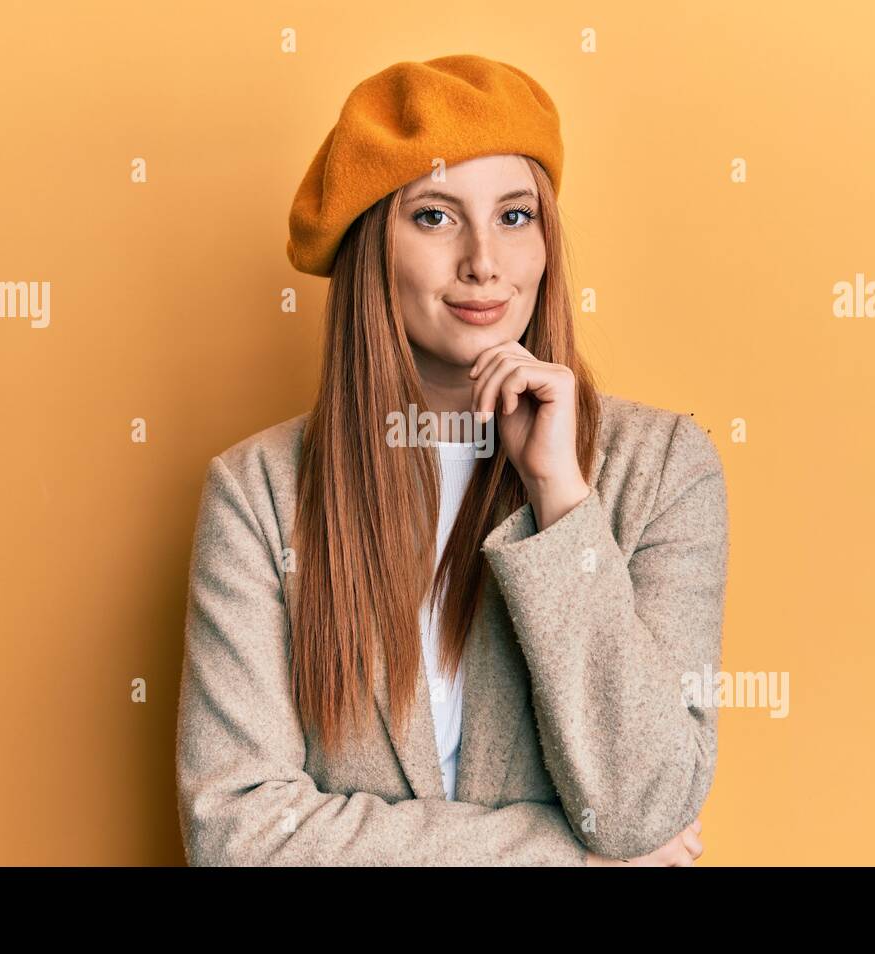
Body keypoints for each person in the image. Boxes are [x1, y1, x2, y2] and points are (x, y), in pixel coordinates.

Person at [175, 54, 728, 866]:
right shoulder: (258, 492)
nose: (484, 262)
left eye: (515, 216)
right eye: (434, 217)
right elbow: (237, 834)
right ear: (372, 246)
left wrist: (561, 498)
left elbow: (643, 804)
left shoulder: (664, 470)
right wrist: (566, 859)